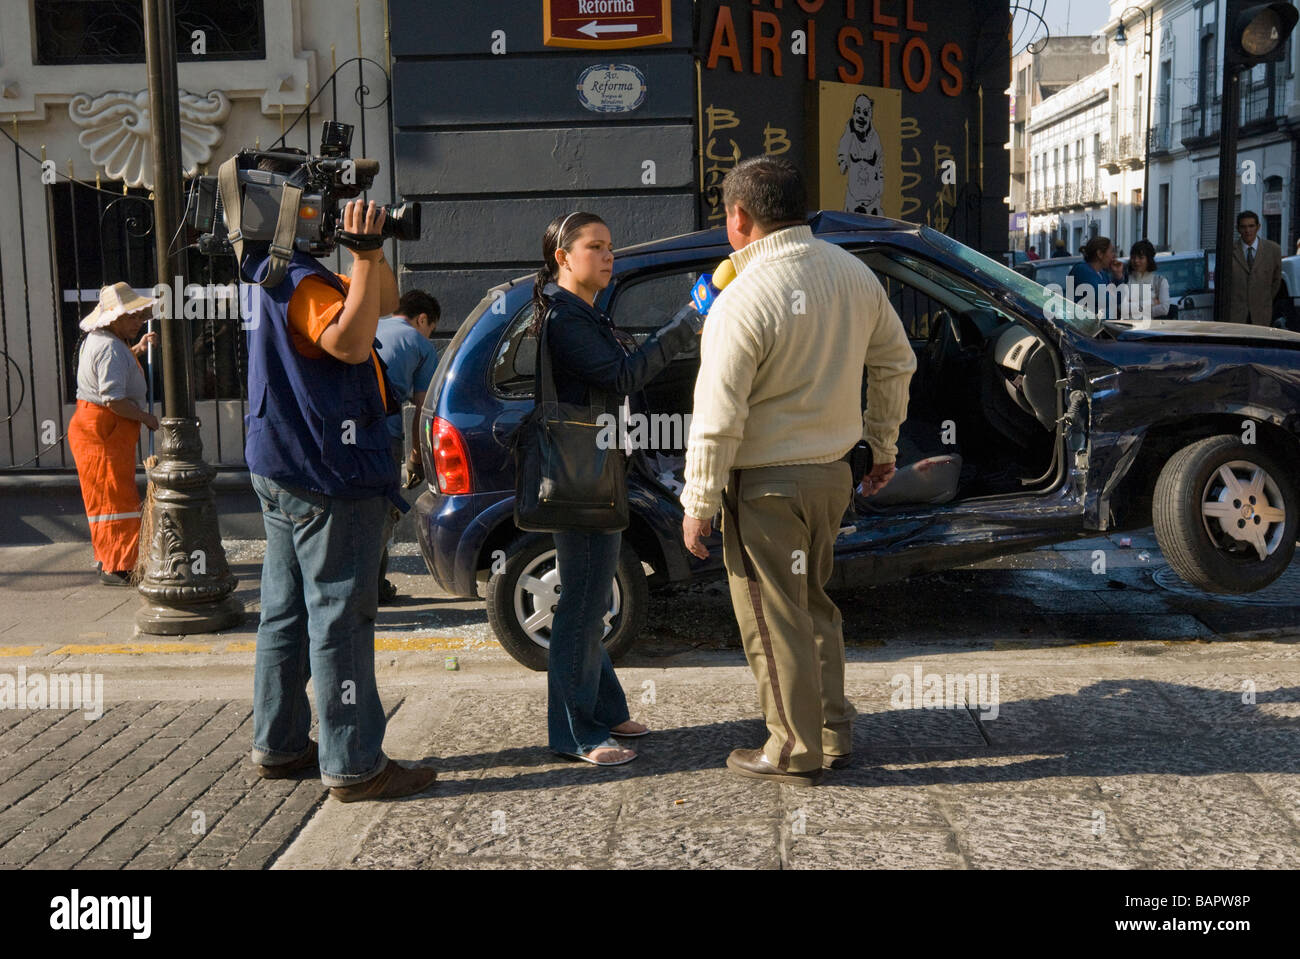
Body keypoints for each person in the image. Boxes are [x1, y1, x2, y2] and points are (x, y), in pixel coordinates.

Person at [680, 157, 916, 785]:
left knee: (773, 616)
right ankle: (832, 733)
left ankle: (791, 748)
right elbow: (898, 361)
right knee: (813, 606)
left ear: (739, 218)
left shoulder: (742, 299)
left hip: (765, 485)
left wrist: (698, 500)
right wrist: (883, 443)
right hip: (832, 477)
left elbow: (717, 415)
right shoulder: (854, 275)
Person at [243, 180, 436, 802]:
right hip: (328, 474)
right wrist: (359, 256)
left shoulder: (277, 272)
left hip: (284, 466)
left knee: (286, 612)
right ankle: (354, 765)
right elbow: (352, 343)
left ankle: (280, 744)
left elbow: (380, 308)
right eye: (319, 211)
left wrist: (369, 254)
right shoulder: (299, 281)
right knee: (340, 619)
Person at [532, 210, 701, 766]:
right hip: (580, 478)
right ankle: (574, 732)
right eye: (596, 247)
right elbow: (625, 375)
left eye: (611, 246)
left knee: (590, 598)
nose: (609, 256)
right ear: (563, 257)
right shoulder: (566, 319)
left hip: (598, 471)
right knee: (581, 606)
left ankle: (605, 710)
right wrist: (688, 320)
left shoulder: (585, 312)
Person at [68, 283, 159, 586]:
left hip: (100, 429)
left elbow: (117, 368)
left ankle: (110, 558)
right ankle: (119, 566)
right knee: (114, 501)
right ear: (113, 318)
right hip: (103, 429)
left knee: (108, 497)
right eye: (132, 317)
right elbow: (114, 400)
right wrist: (145, 417)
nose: (138, 322)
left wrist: (137, 350)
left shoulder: (104, 341)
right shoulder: (108, 347)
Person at [374, 290, 441, 604]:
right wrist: (417, 457)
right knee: (382, 510)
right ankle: (372, 588)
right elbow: (422, 410)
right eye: (431, 327)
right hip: (383, 436)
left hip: (340, 434)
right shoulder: (421, 345)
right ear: (423, 319)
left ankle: (355, 586)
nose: (429, 334)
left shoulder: (370, 326)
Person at [1229, 210, 1282, 326]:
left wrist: (1263, 300)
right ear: (1237, 228)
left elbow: (1276, 281)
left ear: (1258, 227)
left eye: (1251, 226)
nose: (1247, 231)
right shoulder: (1228, 251)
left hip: (1262, 315)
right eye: (1243, 227)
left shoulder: (1273, 250)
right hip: (1235, 316)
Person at [1067, 236, 1117, 319]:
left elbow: (1119, 298)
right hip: (1084, 328)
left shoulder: (1102, 273)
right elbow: (1105, 300)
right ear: (1100, 254)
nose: (1113, 256)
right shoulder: (1082, 270)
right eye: (1111, 252)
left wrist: (1118, 275)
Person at [1124, 239, 1170, 322]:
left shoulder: (1159, 281)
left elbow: (1164, 309)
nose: (1136, 261)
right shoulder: (1125, 280)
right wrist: (1151, 302)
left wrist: (1133, 307)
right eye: (1133, 257)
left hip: (1149, 330)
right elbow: (1122, 307)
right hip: (1127, 330)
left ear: (1149, 260)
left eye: (1141, 258)